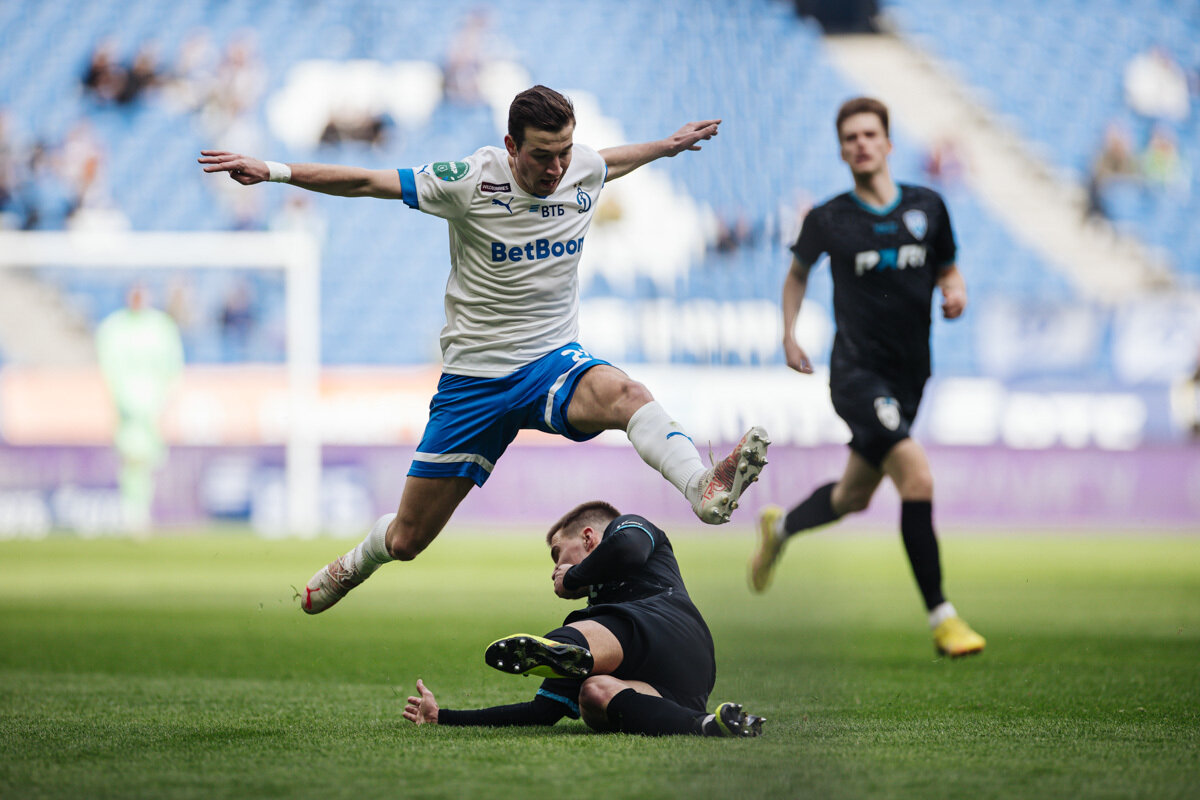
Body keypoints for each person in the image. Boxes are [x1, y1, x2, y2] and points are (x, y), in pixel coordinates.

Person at [199, 85, 770, 614]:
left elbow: (607, 161)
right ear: (509, 147)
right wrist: (273, 171)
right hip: (473, 383)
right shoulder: (469, 180)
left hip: (550, 362)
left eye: (566, 152)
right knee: (406, 539)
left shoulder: (582, 167)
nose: (557, 168)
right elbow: (366, 181)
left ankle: (702, 488)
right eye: (543, 155)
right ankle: (353, 564)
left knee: (627, 393)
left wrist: (666, 148)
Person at [749, 97, 985, 658]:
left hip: (911, 374)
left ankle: (780, 530)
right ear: (841, 149)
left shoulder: (929, 204)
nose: (860, 143)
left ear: (887, 143)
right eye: (850, 136)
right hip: (856, 372)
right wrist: (789, 333)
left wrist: (956, 292)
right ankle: (943, 618)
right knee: (917, 477)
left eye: (869, 134)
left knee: (854, 496)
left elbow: (948, 268)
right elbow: (796, 275)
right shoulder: (829, 218)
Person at [401, 501, 764, 737]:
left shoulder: (630, 526)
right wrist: (443, 717)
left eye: (559, 553)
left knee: (583, 626)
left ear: (589, 537)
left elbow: (628, 551)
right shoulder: (598, 612)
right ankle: (704, 725)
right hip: (680, 691)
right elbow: (541, 713)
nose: (556, 568)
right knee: (594, 693)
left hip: (670, 626)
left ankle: (561, 647)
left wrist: (573, 577)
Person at [95, 283, 185, 532]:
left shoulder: (161, 327)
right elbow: (108, 367)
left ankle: (140, 511)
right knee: (131, 458)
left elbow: (173, 365)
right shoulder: (113, 327)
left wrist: (167, 400)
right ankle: (133, 513)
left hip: (154, 407)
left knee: (147, 459)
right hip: (126, 407)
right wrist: (117, 400)